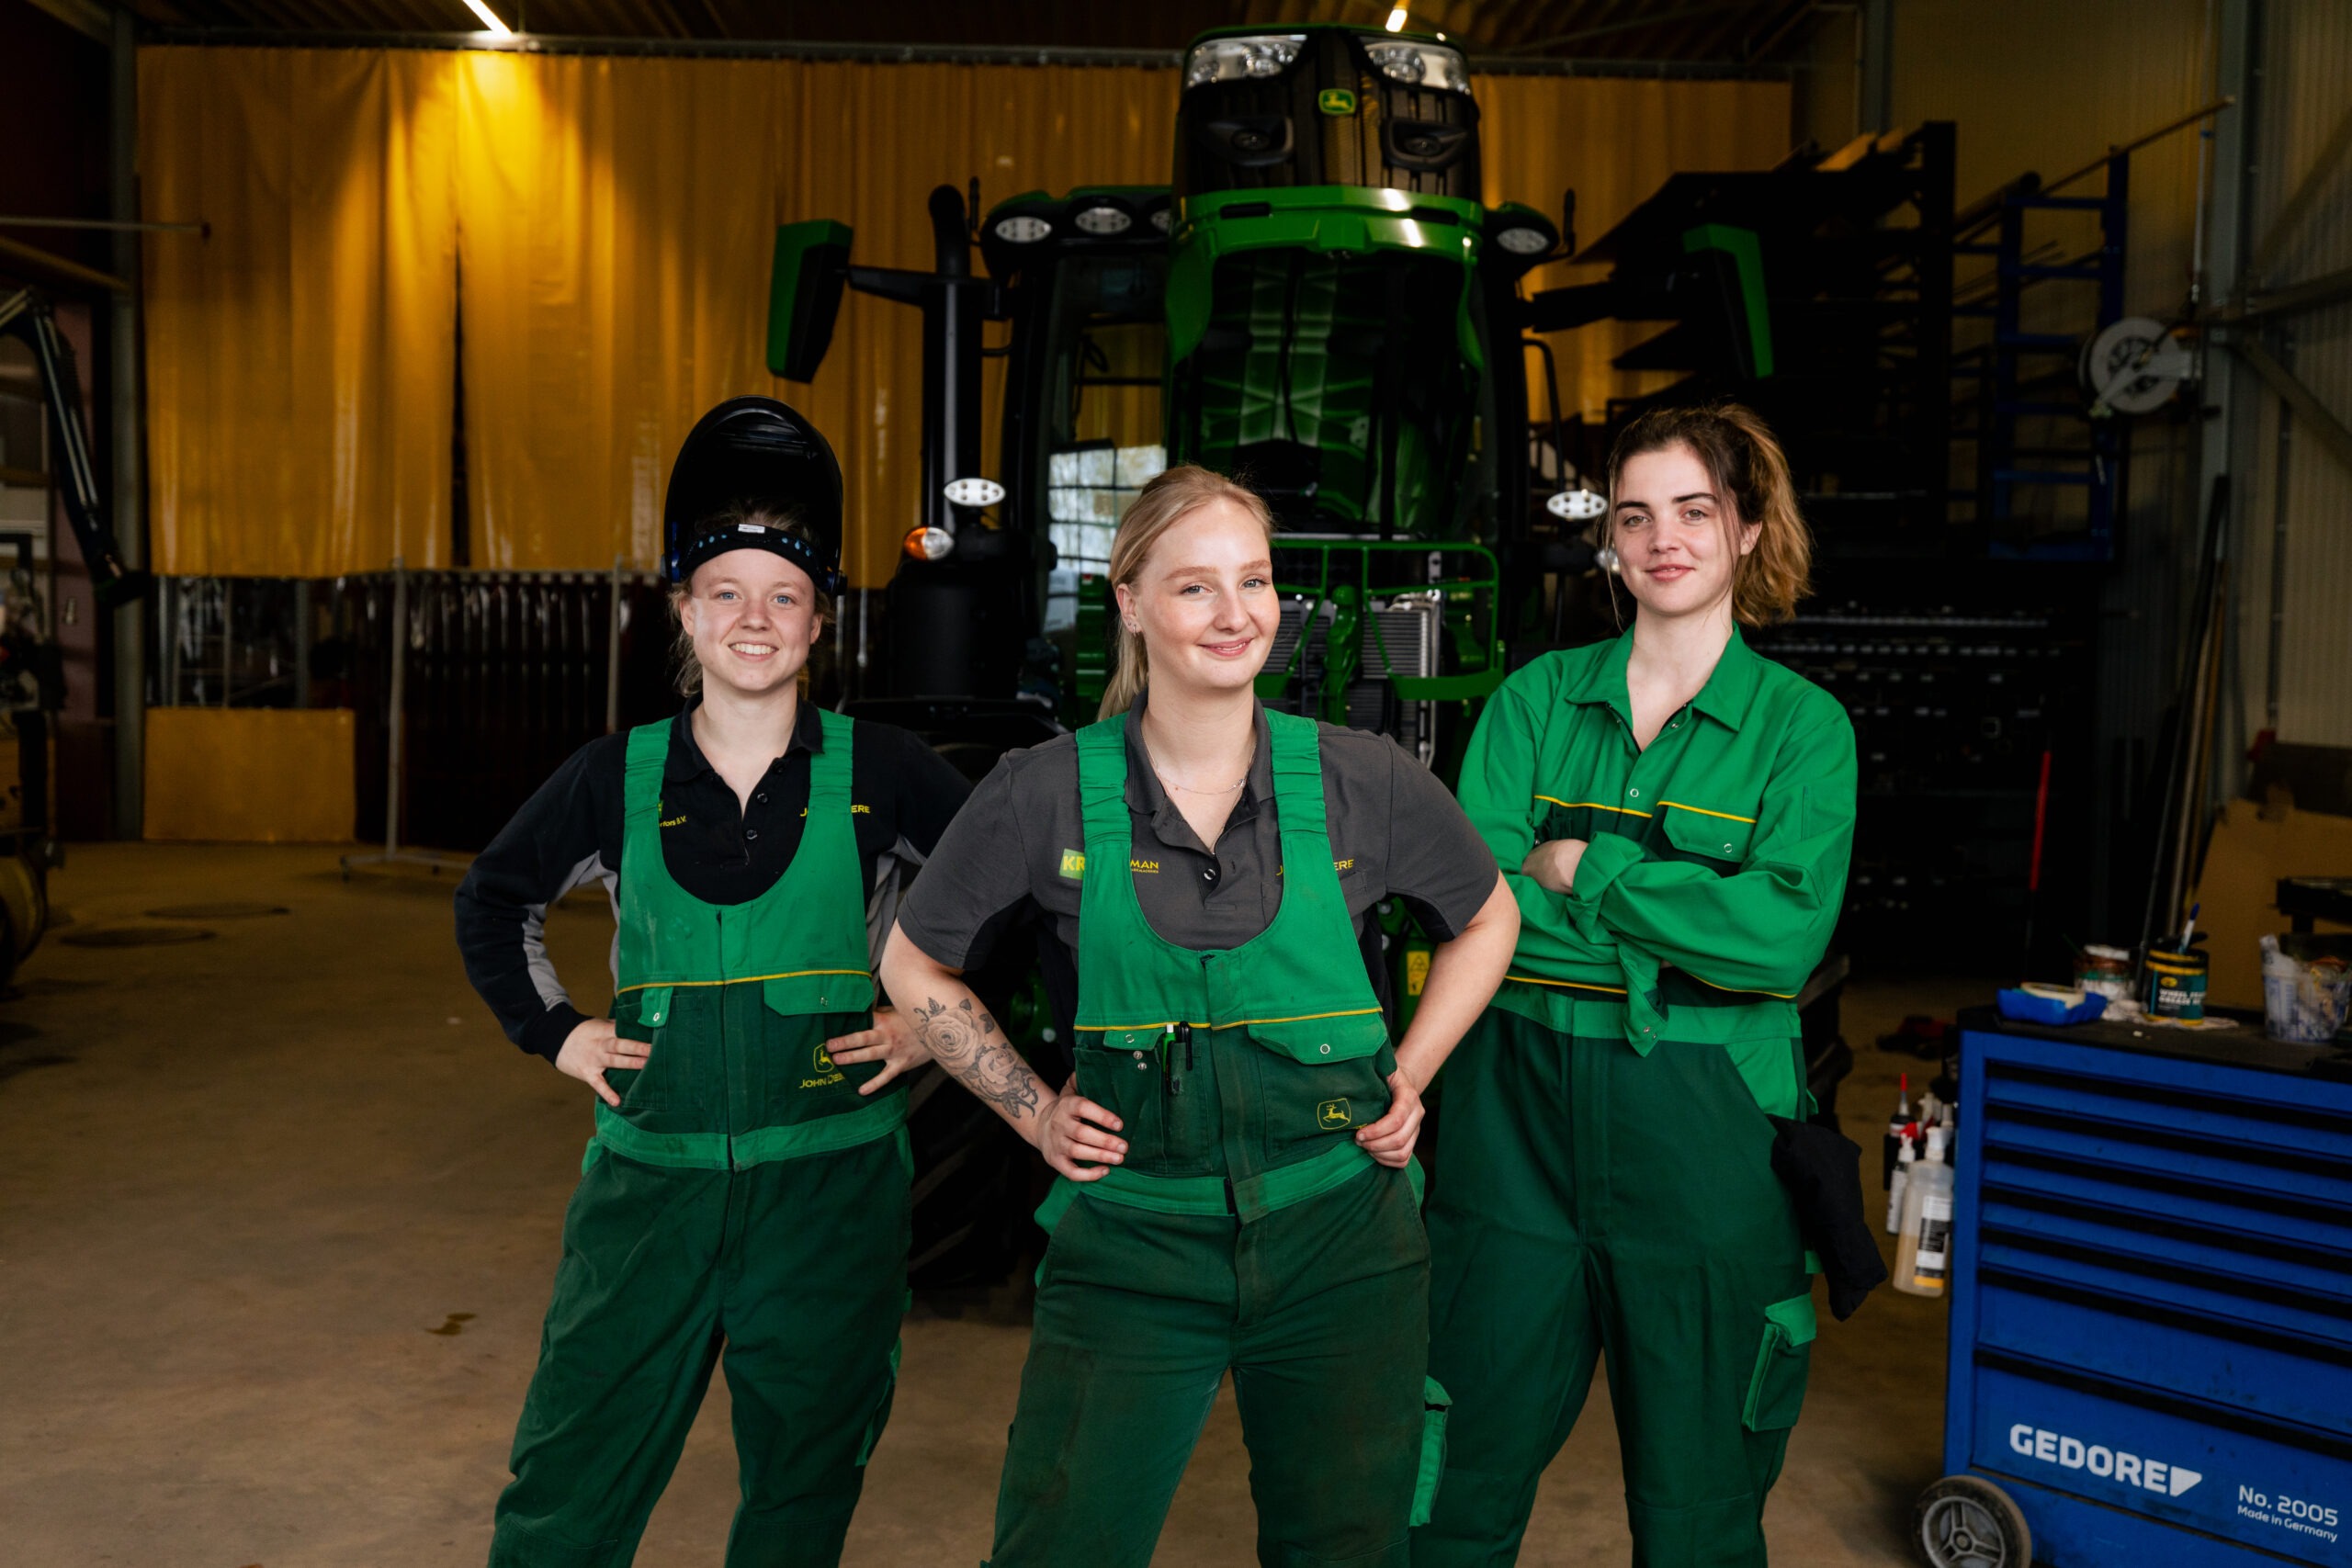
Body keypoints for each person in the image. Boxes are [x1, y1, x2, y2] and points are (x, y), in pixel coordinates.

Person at [878, 465, 1520, 1568]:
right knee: (1061, 1540)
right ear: (1127, 601)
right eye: (1194, 588)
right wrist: (1030, 1111)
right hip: (1132, 1240)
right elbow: (912, 961)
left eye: (1255, 582)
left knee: (1348, 1546)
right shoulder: (1042, 791)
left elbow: (1489, 916)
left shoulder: (1362, 778)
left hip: (1344, 1243)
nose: (1236, 616)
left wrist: (1411, 1068)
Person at [454, 397, 971, 1568]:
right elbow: (491, 900)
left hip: (829, 1197)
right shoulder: (611, 776)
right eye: (725, 593)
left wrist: (928, 1029)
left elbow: (1025, 892)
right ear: (684, 617)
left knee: (806, 1476)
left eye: (783, 596)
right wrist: (555, 1032)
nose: (755, 618)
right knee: (571, 1470)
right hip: (651, 1195)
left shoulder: (886, 772)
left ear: (818, 624)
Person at [1410, 402, 1858, 1568]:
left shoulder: (1802, 731)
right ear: (1607, 537)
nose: (1663, 540)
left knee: (1700, 1499)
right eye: (1634, 515)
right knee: (1449, 1468)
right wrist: (1673, 917)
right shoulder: (1531, 700)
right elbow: (1476, 908)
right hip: (1513, 1112)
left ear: (1749, 530)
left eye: (1695, 512)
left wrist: (1587, 869)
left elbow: (1777, 944)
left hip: (1707, 1127)